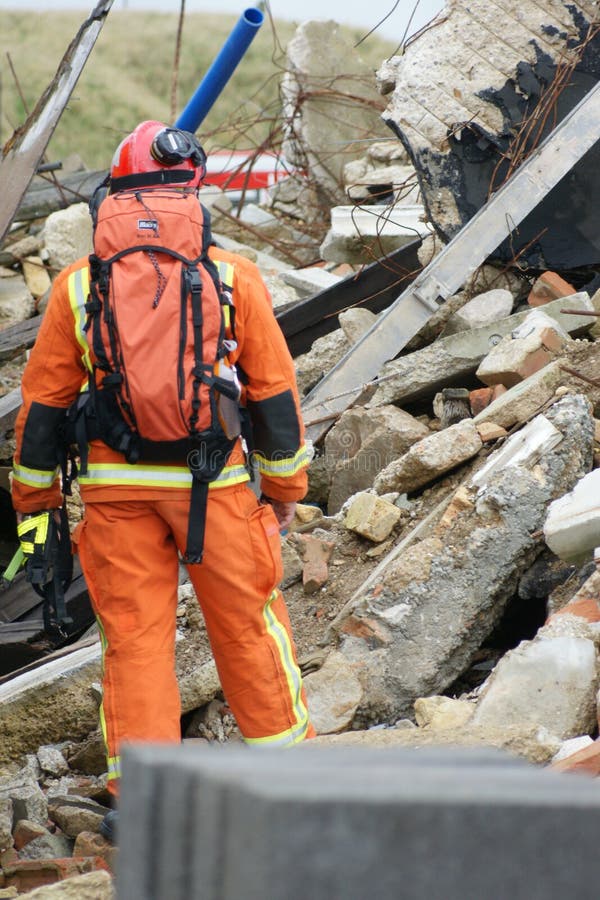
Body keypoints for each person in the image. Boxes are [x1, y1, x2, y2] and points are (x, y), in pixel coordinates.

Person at [11, 121, 314, 840]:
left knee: (137, 642)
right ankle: (290, 778)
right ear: (192, 192)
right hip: (216, 486)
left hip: (117, 495)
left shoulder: (78, 286)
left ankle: (145, 804)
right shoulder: (233, 277)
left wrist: (37, 504)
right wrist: (283, 492)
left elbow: (43, 410)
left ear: (112, 196)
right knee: (246, 625)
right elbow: (274, 396)